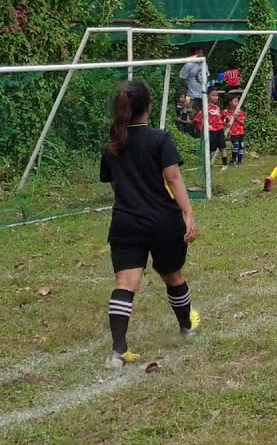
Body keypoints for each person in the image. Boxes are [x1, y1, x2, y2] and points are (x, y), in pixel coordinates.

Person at [99, 81, 199, 368]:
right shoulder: (160, 139)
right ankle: (186, 327)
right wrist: (188, 213)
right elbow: (173, 178)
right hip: (162, 222)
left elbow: (116, 188)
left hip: (126, 222)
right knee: (173, 276)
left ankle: (118, 350)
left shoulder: (113, 146)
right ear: (148, 107)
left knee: (125, 284)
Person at [193, 89, 228, 170]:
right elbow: (198, 119)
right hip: (211, 131)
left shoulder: (217, 108)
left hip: (219, 130)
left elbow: (220, 119)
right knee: (210, 149)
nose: (215, 97)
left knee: (222, 147)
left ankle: (225, 164)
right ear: (208, 96)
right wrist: (201, 128)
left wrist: (225, 124)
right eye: (213, 95)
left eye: (216, 95)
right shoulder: (205, 107)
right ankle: (207, 164)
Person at [223, 95, 246, 166]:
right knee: (236, 145)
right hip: (232, 133)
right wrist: (226, 124)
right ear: (230, 102)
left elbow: (243, 122)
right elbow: (221, 121)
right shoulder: (225, 112)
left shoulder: (239, 112)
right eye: (235, 101)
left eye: (237, 101)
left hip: (240, 132)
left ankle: (239, 160)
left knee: (241, 146)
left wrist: (237, 119)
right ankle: (233, 160)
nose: (237, 103)